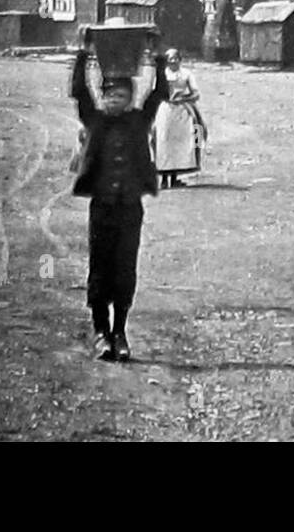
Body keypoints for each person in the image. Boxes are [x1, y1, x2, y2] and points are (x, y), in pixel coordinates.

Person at [71, 28, 169, 363]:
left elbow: (159, 94)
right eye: (110, 96)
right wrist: (84, 53)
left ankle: (120, 331)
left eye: (122, 96)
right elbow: (78, 92)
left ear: (129, 99)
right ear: (103, 98)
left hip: (130, 209)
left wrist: (157, 57)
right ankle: (101, 333)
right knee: (100, 268)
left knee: (125, 269)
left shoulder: (139, 122)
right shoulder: (95, 120)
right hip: (102, 209)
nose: (115, 101)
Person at [152, 48, 207, 189]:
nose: (173, 61)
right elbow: (155, 92)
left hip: (182, 111)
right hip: (165, 110)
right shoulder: (161, 75)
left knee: (182, 141)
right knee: (163, 141)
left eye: (175, 58)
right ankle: (164, 178)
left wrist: (183, 97)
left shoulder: (186, 74)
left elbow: (196, 94)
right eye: (169, 59)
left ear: (180, 60)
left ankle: (175, 177)